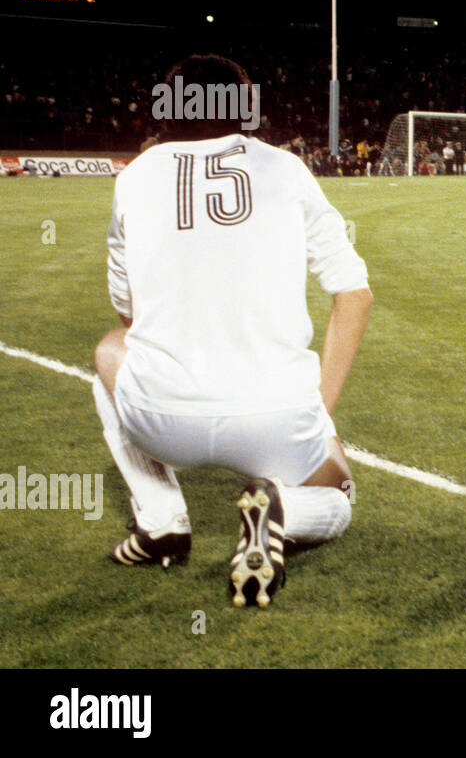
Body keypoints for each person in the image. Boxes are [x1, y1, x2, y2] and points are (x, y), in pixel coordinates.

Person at [91, 54, 371, 608]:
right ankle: (282, 512)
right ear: (247, 110)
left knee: (108, 350)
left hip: (162, 422)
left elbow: (128, 315)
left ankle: (162, 520)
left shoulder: (135, 176)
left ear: (167, 110)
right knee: (338, 491)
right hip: (278, 421)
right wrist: (322, 411)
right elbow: (353, 294)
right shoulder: (287, 169)